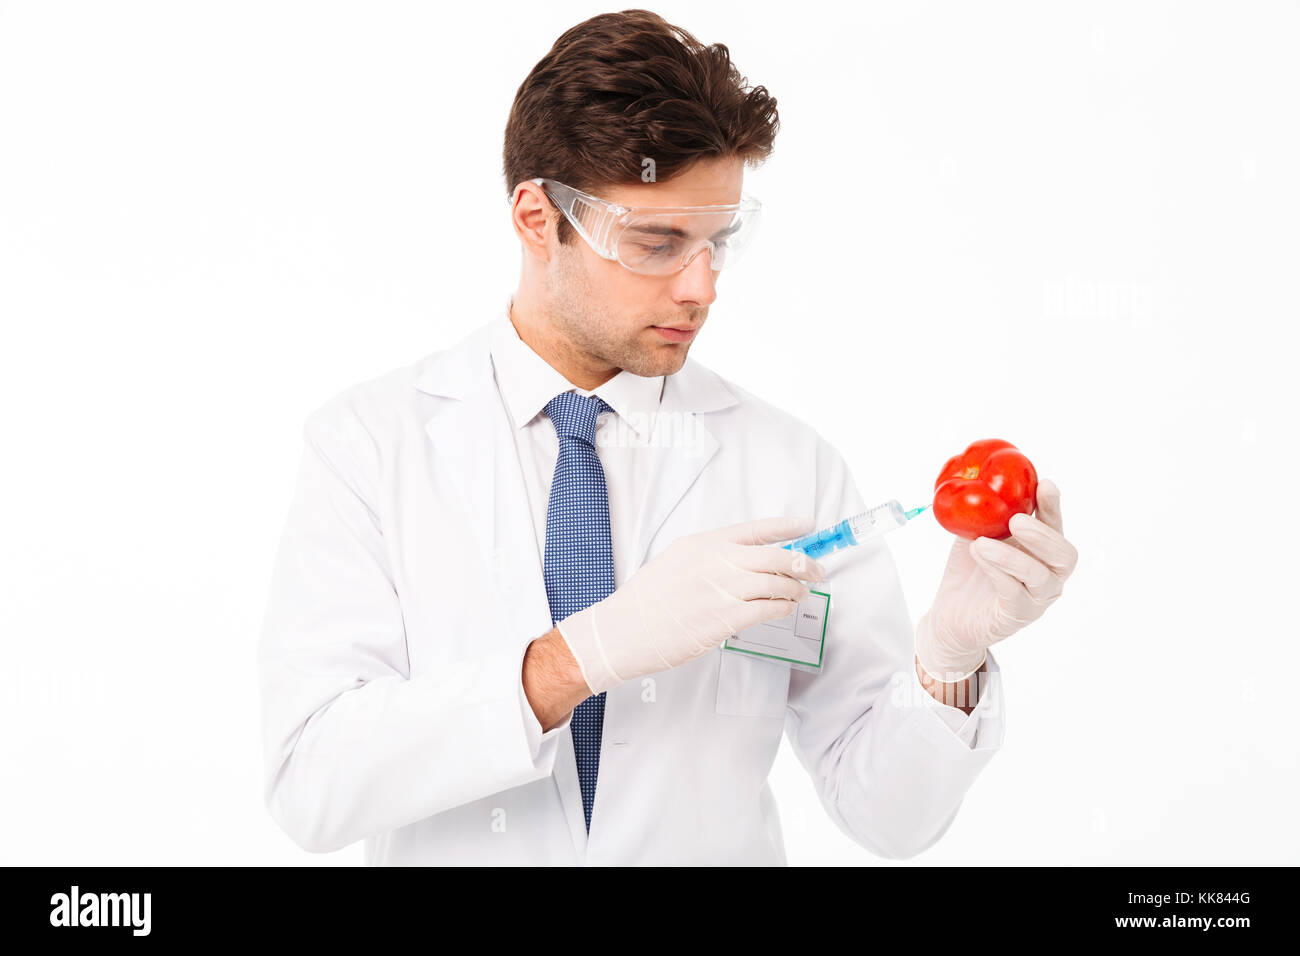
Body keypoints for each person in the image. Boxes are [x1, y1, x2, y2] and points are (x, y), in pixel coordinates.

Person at [257, 10, 1078, 865]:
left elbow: (888, 815)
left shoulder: (786, 469)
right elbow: (311, 784)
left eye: (718, 241)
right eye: (657, 242)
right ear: (538, 219)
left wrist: (950, 657)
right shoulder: (373, 445)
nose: (702, 287)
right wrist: (575, 659)